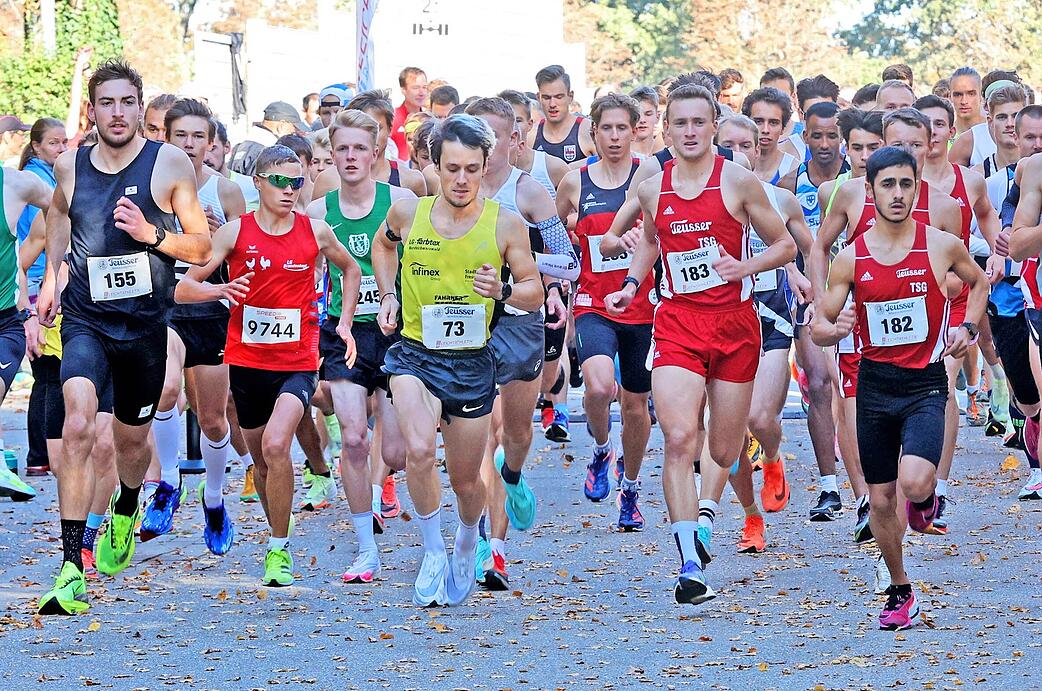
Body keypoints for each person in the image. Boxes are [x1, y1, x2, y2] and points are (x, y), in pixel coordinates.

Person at [598, 84, 795, 604]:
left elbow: (786, 244)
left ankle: (718, 512)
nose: (689, 132)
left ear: (713, 128)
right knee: (681, 437)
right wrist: (631, 286)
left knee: (725, 448)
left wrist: (744, 266)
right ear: (666, 130)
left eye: (698, 123)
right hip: (678, 324)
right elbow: (652, 243)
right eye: (679, 123)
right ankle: (688, 562)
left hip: (734, 326)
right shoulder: (650, 188)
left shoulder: (738, 182)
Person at [36, 60, 212, 614]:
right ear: (93, 110)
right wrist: (51, 277)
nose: (117, 113)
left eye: (127, 103)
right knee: (80, 419)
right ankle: (69, 567)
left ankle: (127, 505)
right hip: (85, 318)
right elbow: (59, 216)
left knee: (133, 441)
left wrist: (151, 234)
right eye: (106, 103)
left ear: (141, 109)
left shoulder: (169, 165)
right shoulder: (68, 166)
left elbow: (201, 249)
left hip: (143, 325)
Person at [811, 146, 986, 630]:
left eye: (906, 185)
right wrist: (838, 327)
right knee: (883, 499)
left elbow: (979, 282)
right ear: (871, 192)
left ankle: (926, 499)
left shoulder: (940, 245)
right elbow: (820, 326)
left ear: (917, 189)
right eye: (887, 185)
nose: (897, 194)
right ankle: (899, 588)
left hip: (925, 384)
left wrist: (967, 328)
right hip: (875, 388)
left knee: (912, 483)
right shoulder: (850, 259)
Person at [373, 114, 543, 607]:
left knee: (468, 480)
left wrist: (505, 290)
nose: (462, 180)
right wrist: (388, 294)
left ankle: (468, 540)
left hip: (470, 363)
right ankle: (431, 551)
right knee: (420, 451)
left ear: (486, 165)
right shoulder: (409, 213)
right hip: (414, 354)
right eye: (452, 169)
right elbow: (384, 249)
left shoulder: (505, 224)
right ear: (434, 166)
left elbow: (534, 291)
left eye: (472, 168)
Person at [177, 144, 360, 586]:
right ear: (257, 182)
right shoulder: (234, 233)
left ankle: (278, 550)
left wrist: (346, 324)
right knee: (261, 462)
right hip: (246, 362)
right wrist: (220, 292)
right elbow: (184, 289)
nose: (289, 190)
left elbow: (351, 271)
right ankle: (277, 522)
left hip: (298, 361)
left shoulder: (316, 232)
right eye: (279, 181)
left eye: (297, 182)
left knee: (278, 445)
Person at [466, 96, 577, 586]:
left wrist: (528, 265)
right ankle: (493, 548)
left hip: (519, 320)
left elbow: (568, 262)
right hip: (468, 324)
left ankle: (513, 476)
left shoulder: (528, 192)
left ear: (515, 139)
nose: (487, 149)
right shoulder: (451, 192)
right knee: (485, 435)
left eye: (496, 137)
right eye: (477, 138)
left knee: (514, 436)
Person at [304, 109, 411, 583]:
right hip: (342, 332)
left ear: (376, 154)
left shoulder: (401, 202)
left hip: (395, 329)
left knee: (398, 451)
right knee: (353, 437)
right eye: (341, 149)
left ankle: (386, 478)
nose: (350, 157)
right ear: (332, 153)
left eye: (359, 149)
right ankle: (366, 548)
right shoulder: (316, 212)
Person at [140, 98, 245, 554]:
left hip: (212, 310)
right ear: (164, 137)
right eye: (179, 134)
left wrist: (224, 235)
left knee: (213, 418)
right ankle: (167, 482)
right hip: (165, 304)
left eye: (198, 136)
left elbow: (250, 253)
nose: (189, 144)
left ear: (212, 142)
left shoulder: (224, 191)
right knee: (164, 390)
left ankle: (215, 497)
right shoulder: (151, 183)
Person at [714, 113, 814, 550]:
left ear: (759, 151)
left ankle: (773, 456)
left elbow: (806, 246)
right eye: (728, 145)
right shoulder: (696, 197)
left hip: (769, 316)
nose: (736, 153)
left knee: (758, 418)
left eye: (745, 146)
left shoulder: (780, 198)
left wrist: (800, 275)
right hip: (717, 321)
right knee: (729, 434)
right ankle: (751, 517)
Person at [556, 93, 653, 528]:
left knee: (636, 406)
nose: (614, 137)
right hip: (594, 302)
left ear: (635, 131)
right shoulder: (575, 182)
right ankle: (600, 449)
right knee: (597, 388)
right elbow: (555, 234)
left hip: (644, 306)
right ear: (592, 133)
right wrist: (559, 279)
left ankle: (629, 488)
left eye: (622, 128)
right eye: (606, 128)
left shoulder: (649, 176)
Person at [915, 94, 1003, 530]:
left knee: (943, 386)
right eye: (923, 125)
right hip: (910, 300)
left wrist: (998, 249)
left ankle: (938, 486)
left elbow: (986, 217)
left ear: (952, 131)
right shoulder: (898, 183)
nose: (932, 133)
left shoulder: (969, 180)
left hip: (953, 295)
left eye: (939, 125)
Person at [777, 100, 852, 520]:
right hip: (810, 297)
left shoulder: (858, 179)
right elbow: (780, 242)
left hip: (859, 294)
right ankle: (829, 486)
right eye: (816, 135)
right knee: (821, 384)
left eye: (832, 135)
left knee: (854, 388)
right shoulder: (791, 183)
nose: (825, 144)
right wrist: (795, 272)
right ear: (804, 137)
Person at [17, 117, 68, 476]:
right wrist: (29, 310)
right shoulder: (41, 185)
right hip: (41, 289)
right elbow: (25, 254)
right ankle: (43, 456)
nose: (62, 150)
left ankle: (42, 457)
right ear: (36, 146)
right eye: (54, 143)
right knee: (51, 377)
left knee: (50, 378)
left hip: (45, 287)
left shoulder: (48, 179)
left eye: (66, 143)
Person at [314, 92, 428, 198]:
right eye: (362, 129)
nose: (370, 136)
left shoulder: (411, 180)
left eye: (376, 128)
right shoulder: (327, 180)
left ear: (390, 129)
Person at [529, 65, 595, 164]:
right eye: (546, 98)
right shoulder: (531, 135)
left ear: (570, 97)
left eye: (558, 97)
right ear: (538, 98)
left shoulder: (588, 131)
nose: (552, 104)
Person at [741, 87, 798, 183]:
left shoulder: (794, 170)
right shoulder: (734, 165)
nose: (765, 130)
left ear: (783, 128)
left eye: (773, 123)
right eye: (758, 121)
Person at [780, 75, 840, 162]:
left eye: (827, 113)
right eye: (812, 114)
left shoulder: (853, 148)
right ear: (801, 115)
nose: (821, 121)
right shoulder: (786, 155)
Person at [947, 67, 995, 165]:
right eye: (958, 94)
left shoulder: (994, 130)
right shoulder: (944, 135)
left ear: (981, 96)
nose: (964, 101)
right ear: (950, 97)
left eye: (971, 94)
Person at [391, 67, 429, 159]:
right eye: (416, 88)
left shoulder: (430, 119)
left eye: (424, 87)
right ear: (403, 90)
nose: (422, 93)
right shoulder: (392, 118)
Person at [629, 86, 663, 157]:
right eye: (637, 115)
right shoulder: (621, 155)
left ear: (657, 117)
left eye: (648, 114)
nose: (642, 120)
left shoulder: (665, 154)